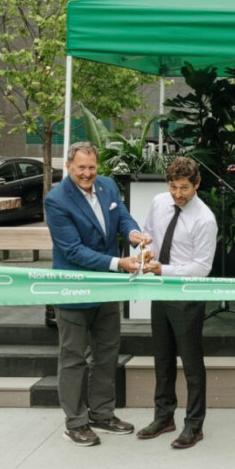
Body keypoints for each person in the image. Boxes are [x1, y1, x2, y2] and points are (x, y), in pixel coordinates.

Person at [45, 142, 151, 447]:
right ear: (68, 167)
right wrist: (119, 263)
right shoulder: (56, 201)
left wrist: (134, 234)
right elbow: (73, 251)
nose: (88, 173)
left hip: (106, 290)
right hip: (74, 290)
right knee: (73, 358)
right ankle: (75, 422)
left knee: (107, 353)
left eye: (92, 167)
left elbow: (123, 219)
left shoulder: (107, 186)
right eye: (81, 168)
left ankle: (102, 414)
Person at [136, 156, 216, 450]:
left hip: (187, 295)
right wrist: (145, 250)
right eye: (173, 187)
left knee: (192, 364)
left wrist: (163, 269)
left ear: (197, 184)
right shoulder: (159, 202)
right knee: (162, 357)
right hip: (160, 290)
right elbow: (150, 233)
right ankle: (163, 417)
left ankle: (194, 425)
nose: (178, 194)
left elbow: (201, 267)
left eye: (183, 188)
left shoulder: (205, 219)